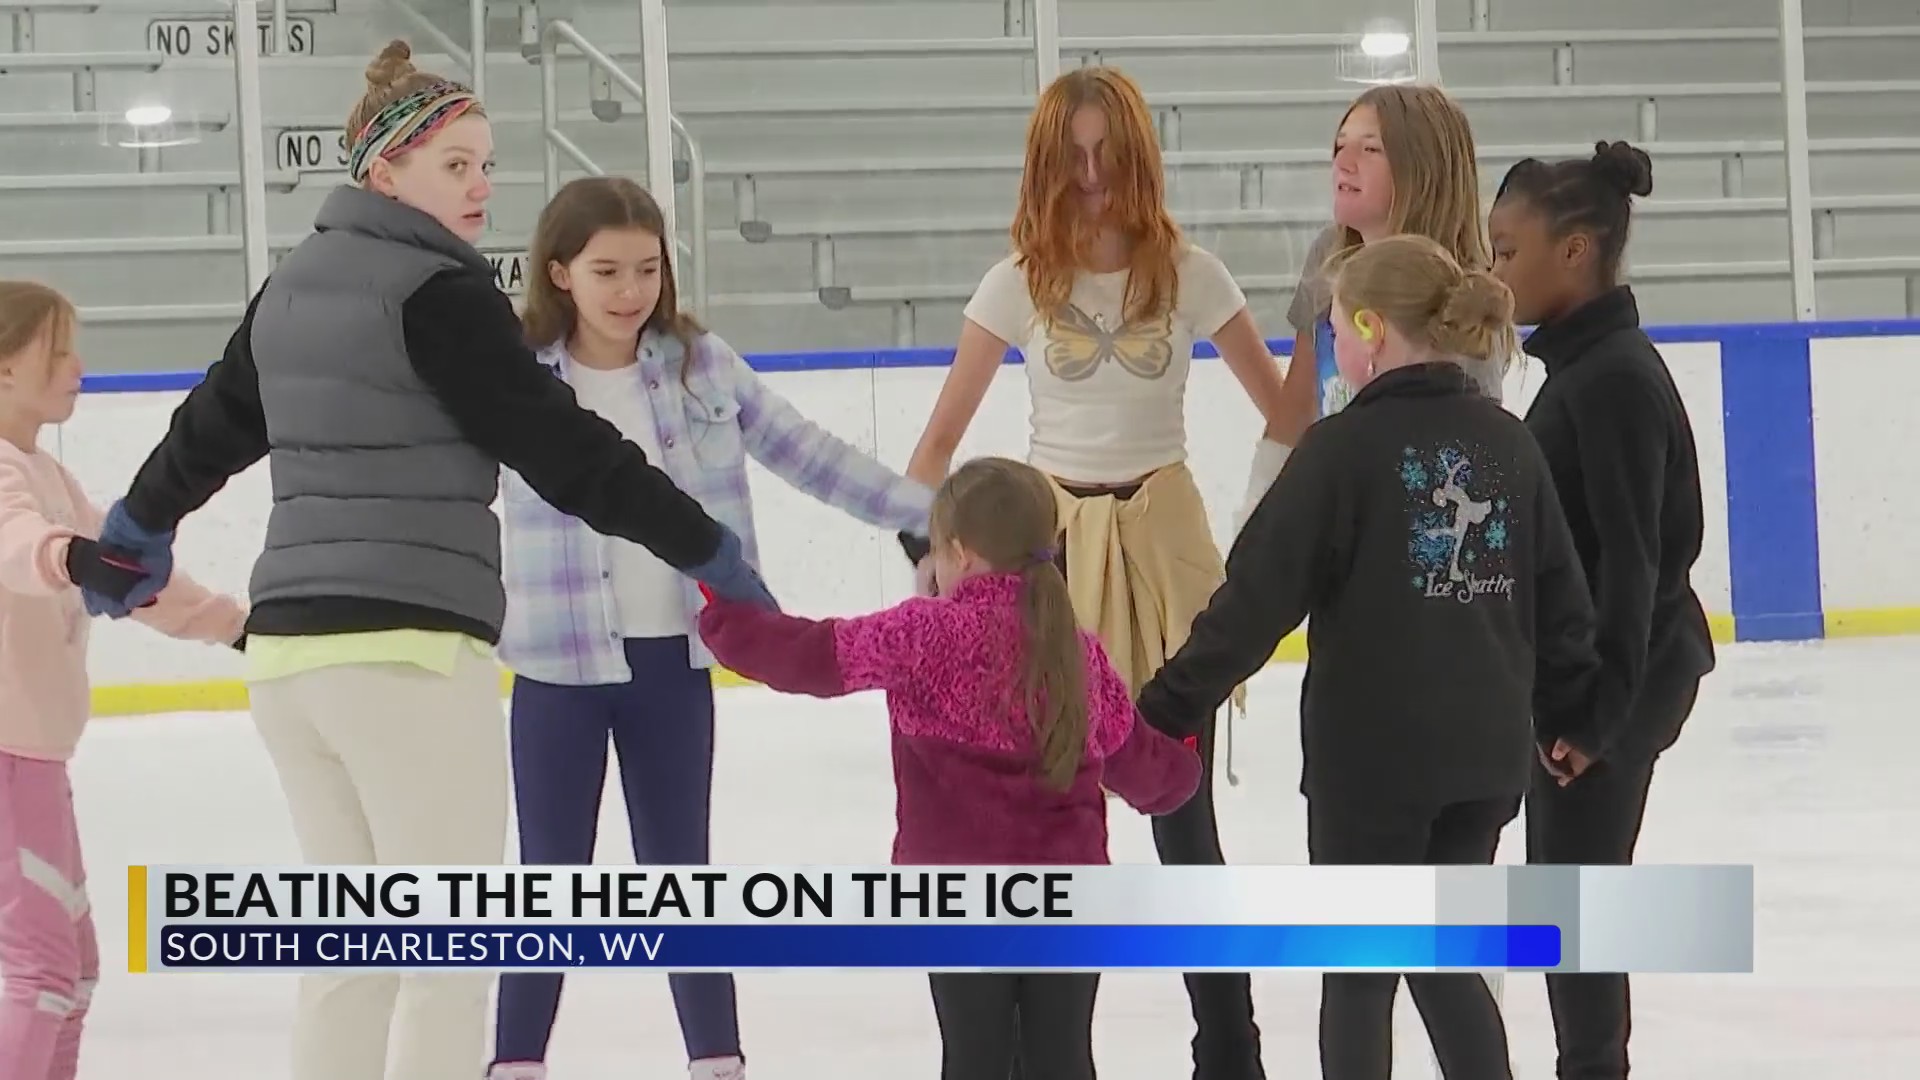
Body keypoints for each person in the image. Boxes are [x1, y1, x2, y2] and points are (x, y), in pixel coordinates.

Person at [74, 41, 772, 1080]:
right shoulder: (440, 293)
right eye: (455, 164)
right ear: (384, 172)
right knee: (446, 948)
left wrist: (135, 531)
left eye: (487, 163)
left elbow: (207, 432)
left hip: (289, 666)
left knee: (353, 953)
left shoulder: (293, 285)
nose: (482, 184)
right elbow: (568, 451)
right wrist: (707, 546)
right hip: (403, 659)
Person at [487, 176, 936, 1080]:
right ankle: (515, 1063)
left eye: (647, 268)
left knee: (679, 873)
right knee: (550, 881)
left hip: (673, 661)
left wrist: (926, 515)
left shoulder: (700, 367)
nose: (630, 290)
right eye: (607, 270)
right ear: (559, 273)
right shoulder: (519, 382)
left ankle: (717, 1061)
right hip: (556, 666)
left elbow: (808, 453)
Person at [1133, 235, 1607, 1080]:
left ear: (1372, 330)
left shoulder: (1341, 453)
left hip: (1373, 766)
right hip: (1484, 760)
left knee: (1359, 976)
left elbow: (1253, 607)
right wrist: (1572, 715)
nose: (1333, 354)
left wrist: (1165, 709)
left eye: (1336, 335)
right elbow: (1563, 604)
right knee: (1446, 959)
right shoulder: (1507, 443)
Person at [900, 65, 1284, 1079]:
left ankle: (1229, 1045)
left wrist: (1269, 545)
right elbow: (933, 450)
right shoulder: (1015, 283)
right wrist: (935, 577)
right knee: (1052, 820)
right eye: (1070, 155)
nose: (1091, 174)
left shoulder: (1193, 273)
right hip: (1049, 560)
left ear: (1139, 155)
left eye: (1108, 153)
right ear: (1042, 162)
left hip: (1166, 555)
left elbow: (1289, 419)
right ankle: (1051, 1052)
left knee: (1182, 816)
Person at [698, 456, 1201, 1080]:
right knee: (1063, 1057)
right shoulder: (1078, 650)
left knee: (973, 1057)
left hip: (956, 895)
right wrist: (1183, 762)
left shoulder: (922, 633)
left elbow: (806, 657)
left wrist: (724, 617)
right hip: (1072, 894)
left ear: (958, 553)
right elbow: (1143, 770)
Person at [1488, 140, 1716, 1080]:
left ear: (1574, 251)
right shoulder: (1589, 368)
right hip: (1592, 687)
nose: (1495, 271)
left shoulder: (1614, 378)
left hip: (1614, 689)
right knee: (1568, 910)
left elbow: (1637, 563)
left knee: (1573, 915)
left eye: (1507, 250)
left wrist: (1594, 718)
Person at [0, 282, 247, 1080]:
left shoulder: (42, 471)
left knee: (72, 972)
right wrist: (72, 558)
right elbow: (23, 545)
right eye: (59, 350)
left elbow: (124, 568)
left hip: (35, 757)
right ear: (4, 369)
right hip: (7, 758)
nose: (79, 367)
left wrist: (237, 624)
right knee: (38, 974)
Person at [1237, 84, 1509, 525]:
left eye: (1370, 149)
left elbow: (1479, 444)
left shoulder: (1465, 291)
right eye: (1340, 146)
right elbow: (1297, 404)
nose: (1343, 162)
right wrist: (1258, 505)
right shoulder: (1327, 254)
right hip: (1334, 509)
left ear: (1422, 168)